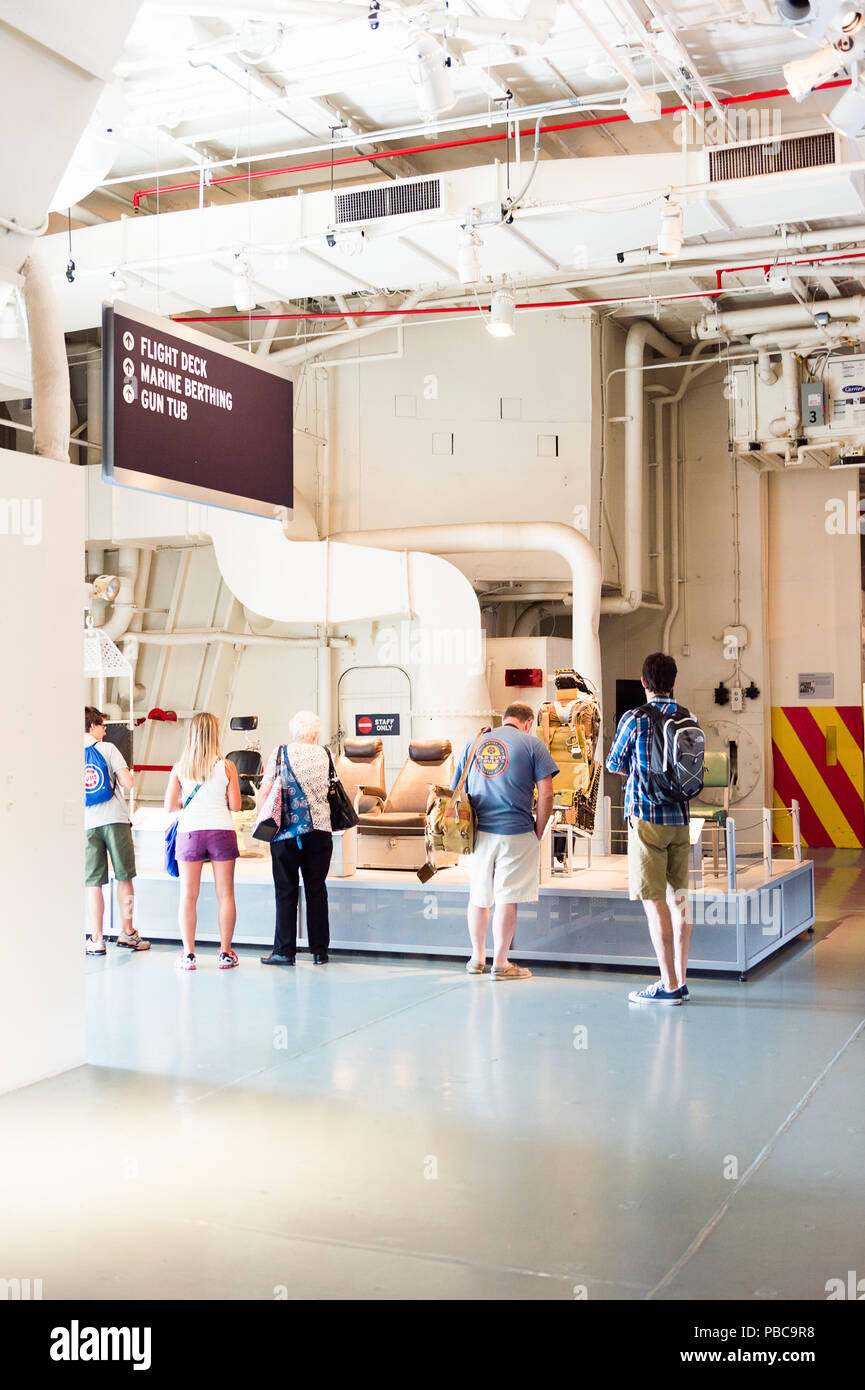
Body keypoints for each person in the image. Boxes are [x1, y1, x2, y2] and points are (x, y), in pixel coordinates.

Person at [605, 652, 695, 1006]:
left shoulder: (634, 718)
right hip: (681, 819)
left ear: (644, 682)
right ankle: (681, 980)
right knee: (680, 899)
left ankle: (668, 985)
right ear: (674, 681)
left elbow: (614, 763)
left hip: (646, 816)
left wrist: (638, 770)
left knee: (654, 902)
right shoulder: (687, 717)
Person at [453, 703, 558, 981]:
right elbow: (547, 794)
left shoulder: (475, 741)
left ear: (504, 719)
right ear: (529, 723)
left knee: (479, 897)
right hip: (516, 833)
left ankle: (476, 958)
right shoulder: (533, 745)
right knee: (507, 898)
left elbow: (455, 790)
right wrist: (539, 830)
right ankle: (500, 964)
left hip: (478, 834)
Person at [164, 712, 241, 972]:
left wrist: (187, 802)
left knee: (188, 895)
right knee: (225, 894)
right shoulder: (227, 766)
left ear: (192, 734)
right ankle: (225, 953)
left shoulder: (180, 767)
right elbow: (236, 806)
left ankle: (188, 955)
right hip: (221, 830)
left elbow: (169, 806)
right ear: (215, 734)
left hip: (190, 832)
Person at [256, 710, 333, 967]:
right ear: (316, 733)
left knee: (285, 890)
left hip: (286, 831)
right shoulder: (327, 754)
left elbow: (265, 791)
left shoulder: (280, 753)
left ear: (293, 732)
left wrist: (261, 823)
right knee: (316, 890)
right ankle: (320, 952)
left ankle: (284, 951)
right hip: (319, 832)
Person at [84, 707, 150, 956]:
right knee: (124, 877)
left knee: (93, 882)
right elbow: (127, 782)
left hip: (87, 824)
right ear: (92, 726)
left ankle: (96, 938)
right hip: (115, 820)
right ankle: (127, 932)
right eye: (102, 726)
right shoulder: (108, 748)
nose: (104, 731)